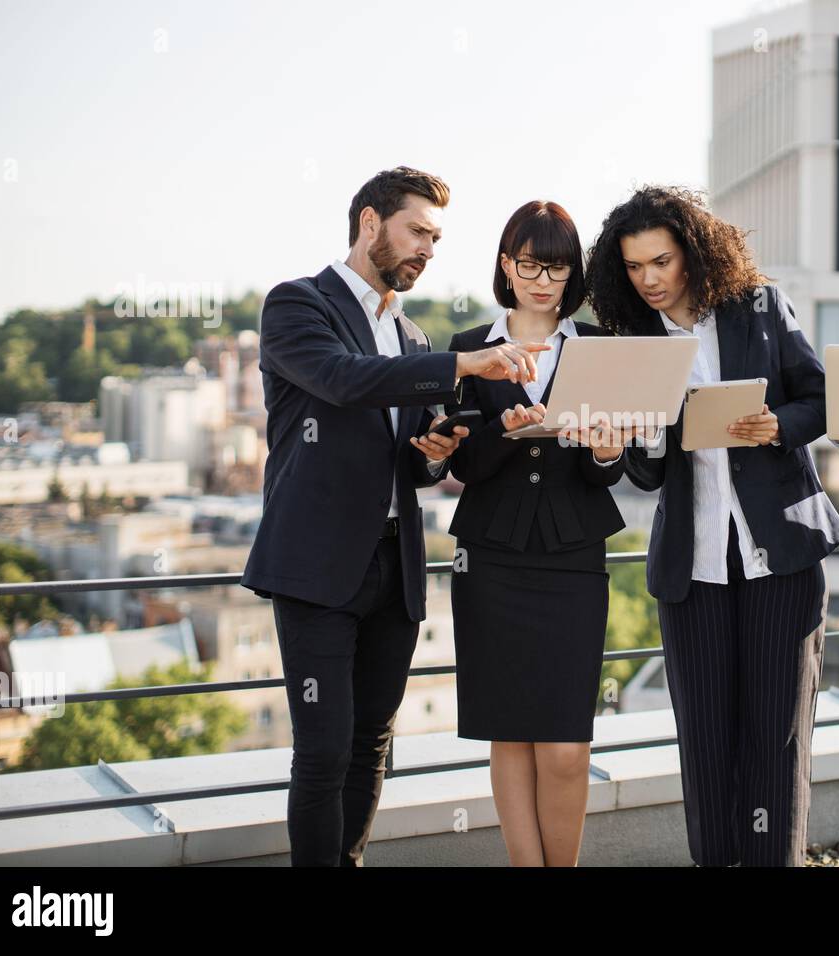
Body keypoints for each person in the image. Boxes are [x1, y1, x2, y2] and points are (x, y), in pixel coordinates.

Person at [242, 167, 550, 866]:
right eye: (418, 231)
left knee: (371, 747)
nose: (427, 249)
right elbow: (344, 381)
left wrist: (435, 452)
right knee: (322, 752)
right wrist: (468, 363)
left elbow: (412, 461)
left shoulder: (412, 337)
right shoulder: (297, 305)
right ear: (370, 223)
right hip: (317, 567)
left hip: (395, 566)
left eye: (437, 239)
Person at [584, 185, 839, 867]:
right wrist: (625, 443)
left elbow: (821, 398)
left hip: (779, 558)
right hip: (692, 568)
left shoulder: (757, 308)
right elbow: (645, 474)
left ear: (693, 253)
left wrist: (776, 427)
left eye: (662, 262)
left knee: (777, 739)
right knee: (705, 744)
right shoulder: (631, 342)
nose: (649, 279)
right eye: (635, 266)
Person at [444, 200, 632, 866]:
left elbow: (607, 468)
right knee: (510, 737)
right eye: (530, 264)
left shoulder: (601, 348)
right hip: (490, 560)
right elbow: (460, 462)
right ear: (506, 265)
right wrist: (505, 430)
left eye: (556, 267)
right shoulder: (469, 349)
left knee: (564, 746)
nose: (543, 279)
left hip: (572, 558)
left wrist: (608, 451)